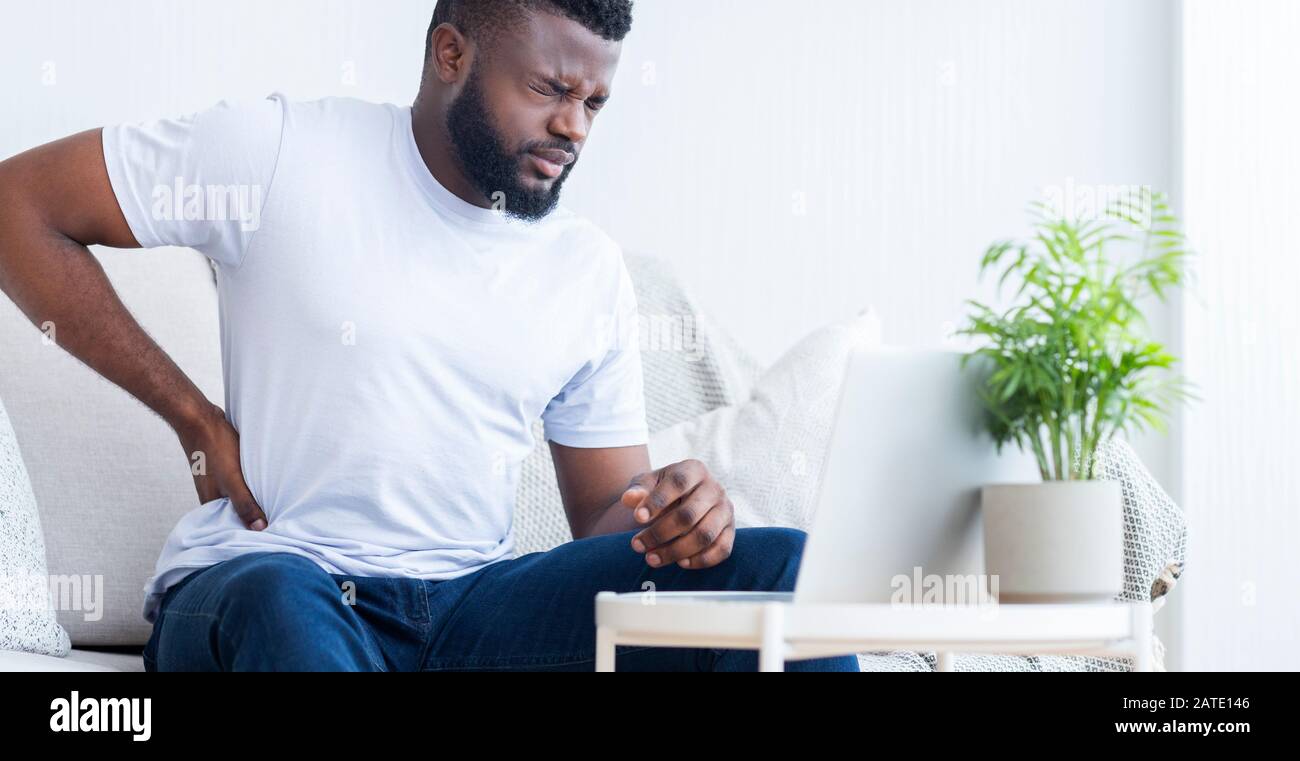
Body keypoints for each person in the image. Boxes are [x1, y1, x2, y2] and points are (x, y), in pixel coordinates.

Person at [0, 0, 859, 672]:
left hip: (465, 611)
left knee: (780, 570)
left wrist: (671, 518)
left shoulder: (584, 269)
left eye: (595, 101)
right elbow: (17, 208)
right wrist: (190, 413)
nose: (576, 128)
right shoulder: (278, 151)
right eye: (550, 90)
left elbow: (605, 517)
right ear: (452, 54)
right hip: (268, 585)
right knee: (283, 597)